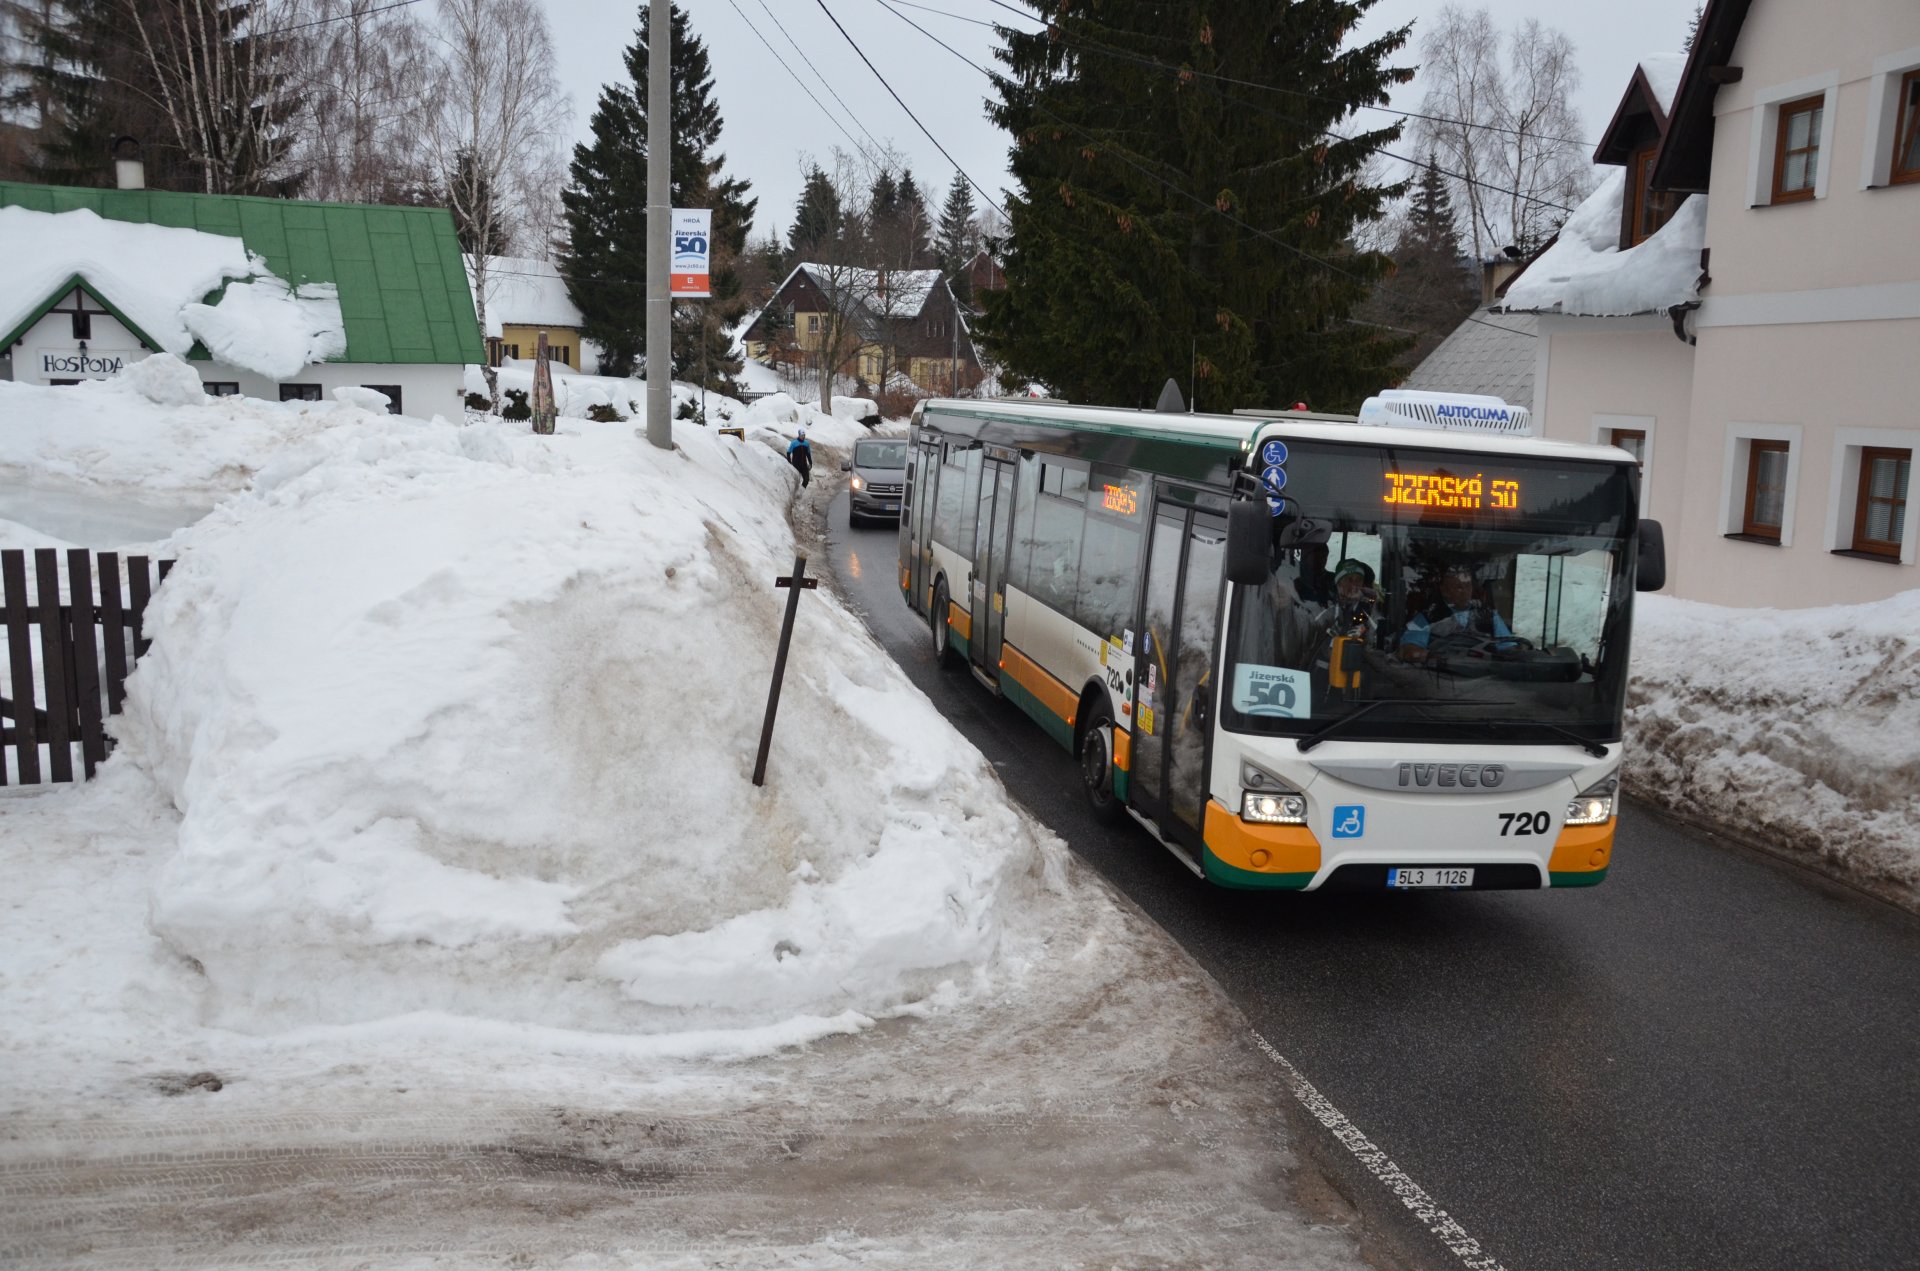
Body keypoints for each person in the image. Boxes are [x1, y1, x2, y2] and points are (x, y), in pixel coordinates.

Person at [1398, 562, 1513, 662]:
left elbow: (1508, 648)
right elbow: (1409, 651)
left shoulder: (1489, 615)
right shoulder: (1427, 618)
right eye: (1458, 587)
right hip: (1441, 676)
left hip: (1485, 675)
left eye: (1468, 586)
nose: (1465, 592)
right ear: (1445, 591)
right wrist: (1438, 658)